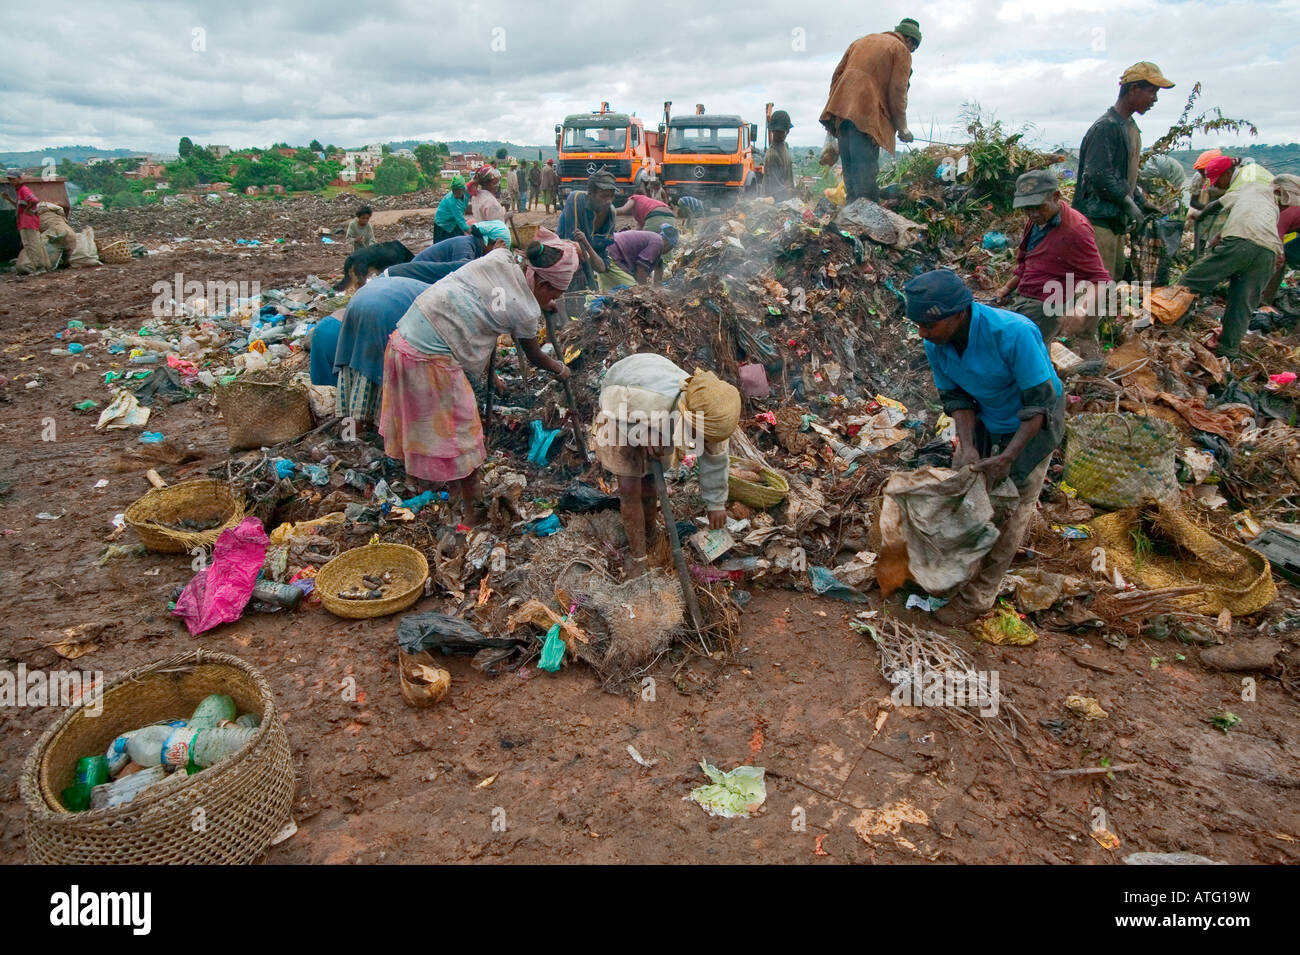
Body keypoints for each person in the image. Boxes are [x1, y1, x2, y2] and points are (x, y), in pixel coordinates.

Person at [903, 269, 1065, 626]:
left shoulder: (1014, 333)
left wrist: (1008, 457)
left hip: (1033, 425)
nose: (922, 333)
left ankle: (978, 597)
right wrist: (969, 444)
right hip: (989, 418)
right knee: (972, 499)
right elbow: (956, 396)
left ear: (958, 314)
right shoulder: (937, 343)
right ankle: (955, 576)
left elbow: (1039, 403)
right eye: (917, 325)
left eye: (928, 325)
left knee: (1013, 506)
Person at [378, 249, 569, 525]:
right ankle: (473, 510)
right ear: (541, 283)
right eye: (553, 295)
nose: (552, 302)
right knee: (462, 435)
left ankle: (433, 487)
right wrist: (560, 369)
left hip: (405, 339)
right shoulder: (525, 310)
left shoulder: (502, 260)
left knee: (423, 425)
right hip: (429, 358)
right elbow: (535, 356)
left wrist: (544, 303)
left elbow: (488, 311)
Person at [592, 354, 741, 576]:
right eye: (698, 435)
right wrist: (640, 431)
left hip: (660, 418)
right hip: (623, 404)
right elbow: (610, 400)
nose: (700, 442)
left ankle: (651, 534)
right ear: (687, 417)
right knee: (630, 487)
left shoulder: (715, 416)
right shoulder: (653, 399)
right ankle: (638, 557)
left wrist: (716, 503)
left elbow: (715, 458)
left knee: (651, 481)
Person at [994, 169, 1112, 360]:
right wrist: (1007, 287)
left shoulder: (1076, 230)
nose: (1032, 214)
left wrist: (1080, 308)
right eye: (1027, 208)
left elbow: (1101, 279)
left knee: (1021, 351)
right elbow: (1027, 260)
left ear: (1056, 196)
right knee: (1030, 350)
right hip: (1026, 292)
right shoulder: (1035, 220)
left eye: (1038, 207)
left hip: (1047, 302)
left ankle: (1048, 386)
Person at [1074, 61, 1174, 281]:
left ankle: (1103, 316)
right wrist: (1129, 203)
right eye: (1151, 92)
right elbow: (1099, 175)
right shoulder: (1107, 127)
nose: (1154, 100)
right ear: (1133, 89)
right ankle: (1085, 316)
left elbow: (1122, 176)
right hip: (1097, 220)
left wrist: (1139, 200)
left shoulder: (1128, 127)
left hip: (1114, 220)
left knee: (1114, 275)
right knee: (1097, 283)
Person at [1181, 158, 1283, 357]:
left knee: (1189, 282)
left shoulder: (1243, 186)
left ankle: (1164, 324)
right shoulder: (1269, 194)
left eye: (1217, 180)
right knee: (1241, 303)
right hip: (1268, 252)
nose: (1216, 185)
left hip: (1241, 243)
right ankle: (1228, 353)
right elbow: (1255, 219)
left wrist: (1197, 218)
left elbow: (1212, 208)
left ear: (1228, 174)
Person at [820, 18, 920, 203]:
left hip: (842, 114)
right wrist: (903, 128)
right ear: (910, 40)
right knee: (865, 179)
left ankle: (851, 222)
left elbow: (836, 76)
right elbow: (898, 92)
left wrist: (835, 111)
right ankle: (868, 226)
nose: (912, 51)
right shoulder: (901, 50)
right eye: (914, 47)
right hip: (866, 119)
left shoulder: (861, 41)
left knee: (851, 178)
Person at [332, 276, 431, 427]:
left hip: (359, 300)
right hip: (386, 310)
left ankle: (349, 432)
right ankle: (371, 429)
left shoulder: (428, 286)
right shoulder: (440, 301)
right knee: (381, 367)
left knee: (356, 362)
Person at [387, 221, 511, 283]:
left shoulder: (474, 248)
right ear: (489, 241)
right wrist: (493, 257)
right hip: (414, 279)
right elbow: (464, 272)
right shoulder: (465, 245)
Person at [557, 167, 618, 277]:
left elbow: (601, 266)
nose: (608, 201)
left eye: (611, 196)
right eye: (603, 196)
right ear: (590, 194)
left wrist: (587, 244)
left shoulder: (611, 213)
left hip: (591, 258)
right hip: (568, 257)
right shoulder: (575, 199)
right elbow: (574, 245)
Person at [588, 225, 678, 289]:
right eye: (671, 248)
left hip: (605, 249)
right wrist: (644, 291)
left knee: (609, 294)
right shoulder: (658, 243)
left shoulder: (653, 239)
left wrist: (657, 288)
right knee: (632, 292)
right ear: (668, 244)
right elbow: (641, 268)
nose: (668, 252)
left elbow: (658, 267)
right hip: (612, 255)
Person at [523, 226, 584, 314]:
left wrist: (544, 302)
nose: (552, 301)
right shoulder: (523, 315)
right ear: (542, 285)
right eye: (553, 297)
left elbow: (576, 248)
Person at [1263, 174, 1300, 306]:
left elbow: (1277, 249)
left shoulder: (1286, 210)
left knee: (1279, 258)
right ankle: (1265, 298)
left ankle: (1264, 299)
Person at [2, 172, 49, 273]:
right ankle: (42, 266)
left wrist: (27, 210)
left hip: (28, 222)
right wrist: (8, 199)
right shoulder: (19, 191)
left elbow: (34, 200)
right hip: (25, 222)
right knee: (34, 244)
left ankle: (40, 268)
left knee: (31, 245)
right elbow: (19, 207)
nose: (12, 181)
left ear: (20, 179)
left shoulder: (24, 189)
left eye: (13, 179)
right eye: (10, 180)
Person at [1190, 149, 1232, 255]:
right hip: (1209, 208)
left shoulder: (1231, 177)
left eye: (1204, 171)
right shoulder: (1198, 178)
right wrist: (1206, 209)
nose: (1203, 175)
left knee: (1221, 238)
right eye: (1201, 172)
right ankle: (1197, 257)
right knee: (1201, 235)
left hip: (1227, 209)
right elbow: (1193, 201)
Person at [763, 110, 796, 200]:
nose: (783, 134)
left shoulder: (785, 146)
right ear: (772, 131)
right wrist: (792, 192)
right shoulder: (772, 155)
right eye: (779, 131)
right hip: (775, 204)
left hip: (787, 201)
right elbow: (775, 190)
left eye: (783, 131)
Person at [434, 176, 470, 242]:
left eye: (458, 192)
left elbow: (473, 183)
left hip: (454, 221)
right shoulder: (452, 201)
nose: (455, 195)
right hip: (443, 223)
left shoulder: (467, 192)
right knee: (444, 245)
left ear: (463, 189)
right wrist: (474, 234)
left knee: (460, 240)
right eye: (453, 191)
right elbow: (461, 222)